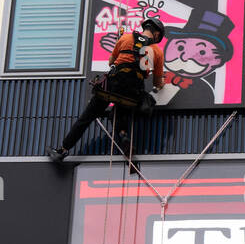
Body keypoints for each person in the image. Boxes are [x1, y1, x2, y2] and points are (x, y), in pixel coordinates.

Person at [49, 16, 166, 167]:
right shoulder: (156, 51)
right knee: (121, 110)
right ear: (156, 34)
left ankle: (62, 150)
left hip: (112, 85)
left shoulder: (126, 38)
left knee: (87, 117)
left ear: (145, 27)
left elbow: (111, 62)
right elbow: (157, 83)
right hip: (132, 93)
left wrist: (121, 47)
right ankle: (123, 135)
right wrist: (162, 84)